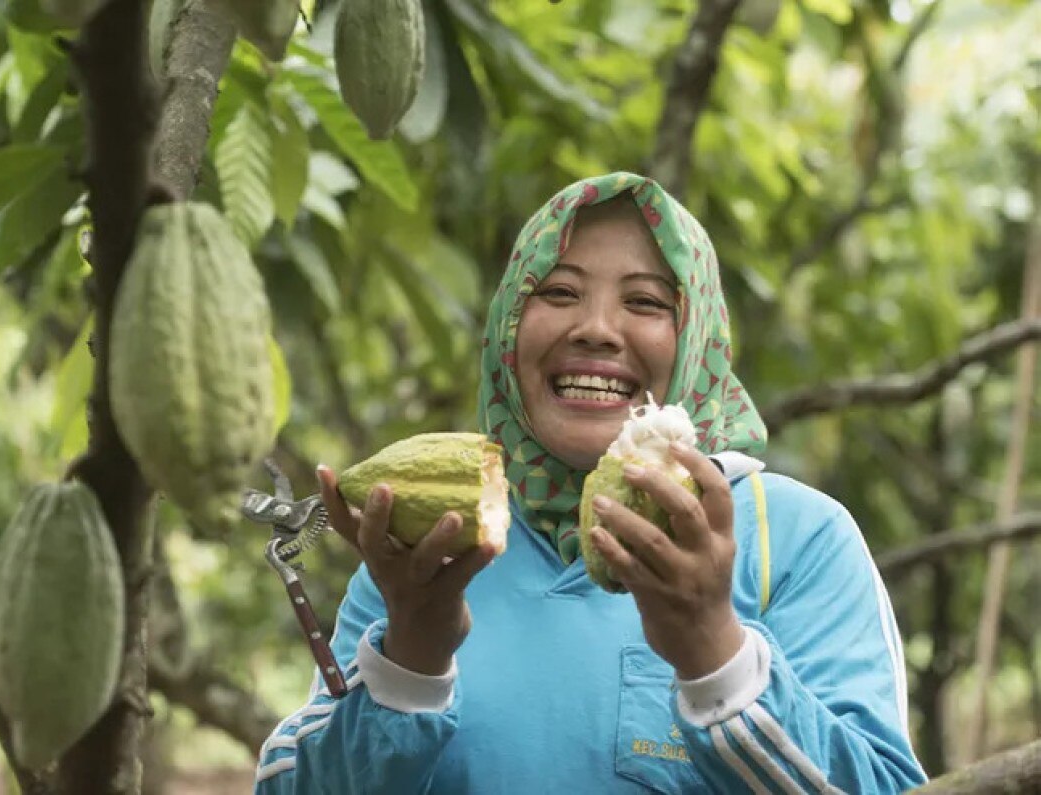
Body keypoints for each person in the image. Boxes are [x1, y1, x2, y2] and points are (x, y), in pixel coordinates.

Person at [253, 172, 927, 793]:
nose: (596, 329)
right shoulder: (429, 553)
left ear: (694, 338)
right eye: (558, 291)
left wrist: (712, 648)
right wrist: (410, 659)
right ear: (507, 331)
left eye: (643, 301)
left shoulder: (795, 536)